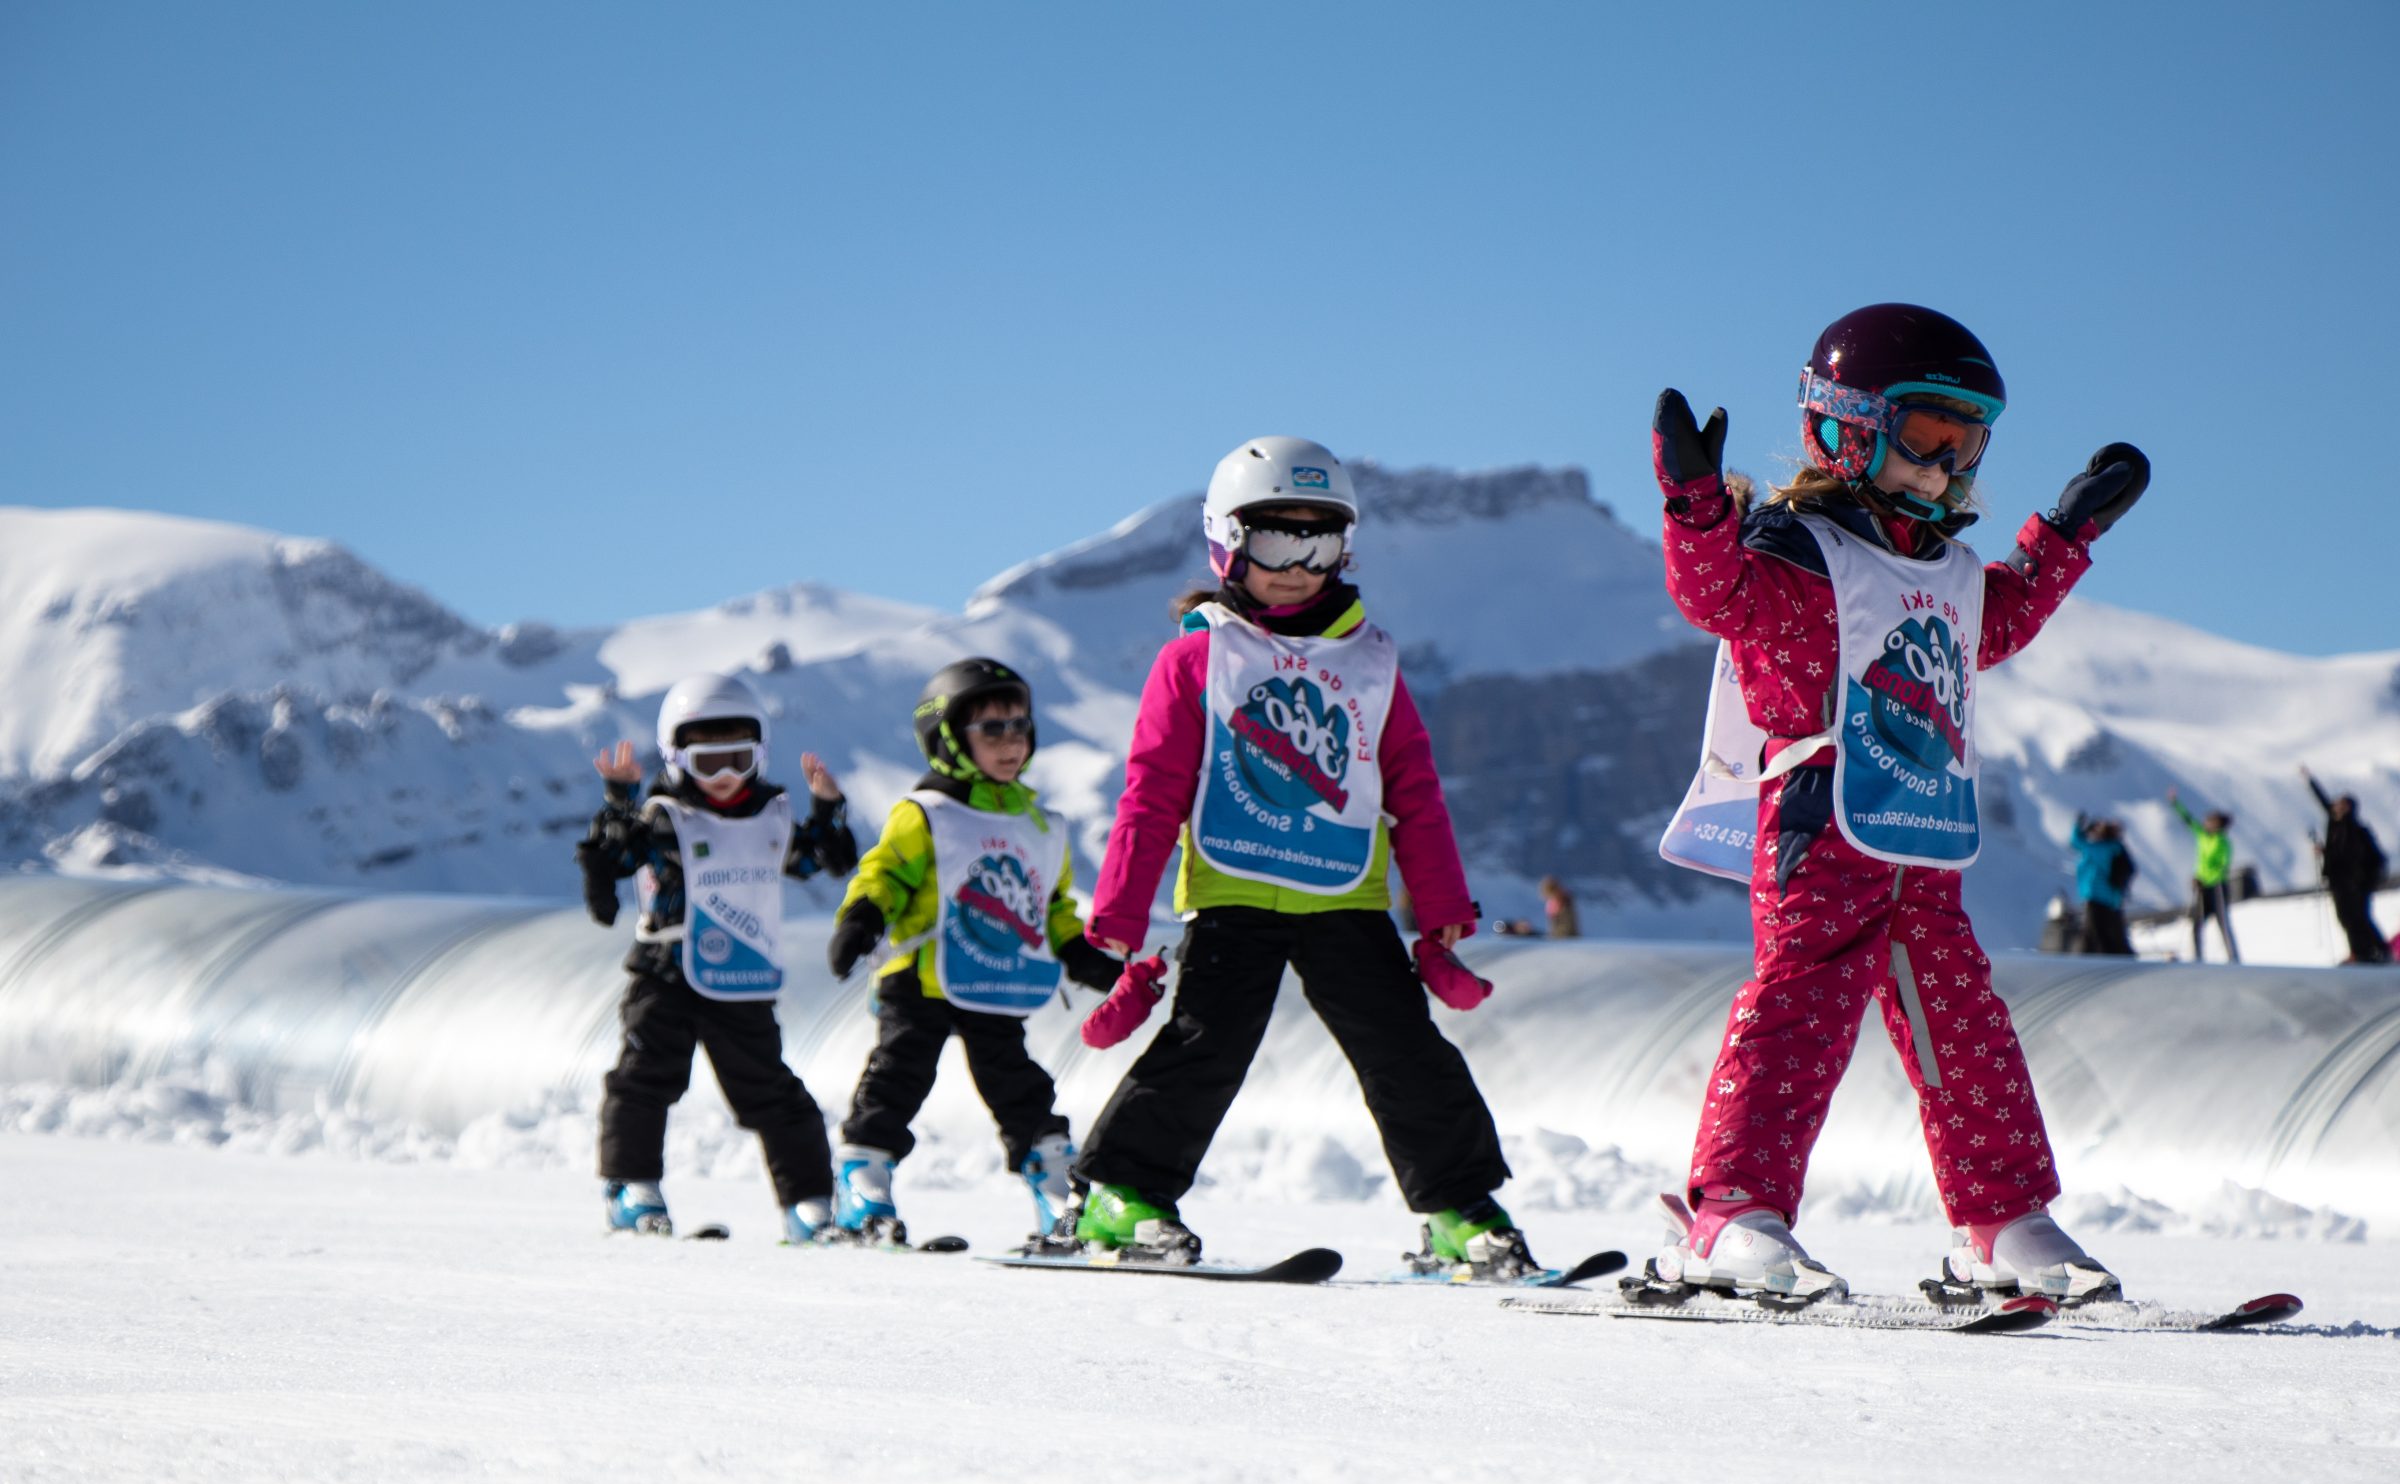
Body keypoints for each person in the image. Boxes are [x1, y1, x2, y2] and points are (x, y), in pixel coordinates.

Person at [1647, 302, 2148, 1306]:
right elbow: (1719, 598)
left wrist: (2065, 532)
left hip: (1919, 817)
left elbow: (1994, 624)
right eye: (1926, 436)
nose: (1946, 465)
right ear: (1844, 427)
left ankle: (2000, 1217)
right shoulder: (1798, 550)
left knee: (1962, 1015)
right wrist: (1698, 508)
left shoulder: (1949, 572)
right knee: (1803, 1004)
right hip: (1821, 808)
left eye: (1968, 443)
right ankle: (1728, 1212)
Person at [1068, 436, 1535, 1278]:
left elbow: (1414, 794)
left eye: (1319, 542)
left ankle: (1460, 1210)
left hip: (1344, 901)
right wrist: (1119, 917)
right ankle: (1118, 1196)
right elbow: (1151, 792)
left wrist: (1440, 913)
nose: (1298, 564)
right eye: (1277, 540)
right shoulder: (1197, 660)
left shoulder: (1371, 664)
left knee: (1407, 1053)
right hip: (1233, 890)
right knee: (1207, 1046)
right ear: (1228, 542)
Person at [824, 658, 1123, 1240]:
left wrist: (1078, 953)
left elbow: (1051, 905)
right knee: (898, 1077)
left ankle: (1058, 1194)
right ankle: (865, 1183)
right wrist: (861, 918)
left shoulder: (1040, 823)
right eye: (992, 729)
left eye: (1020, 726)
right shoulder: (927, 814)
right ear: (948, 741)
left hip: (996, 977)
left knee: (1020, 1086)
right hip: (921, 977)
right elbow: (884, 874)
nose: (1011, 741)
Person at [575, 673, 858, 1240]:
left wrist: (828, 813)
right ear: (677, 758)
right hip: (665, 974)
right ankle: (632, 1189)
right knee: (643, 1081)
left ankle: (808, 1206)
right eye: (708, 763)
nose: (726, 777)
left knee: (774, 1093)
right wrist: (618, 802)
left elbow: (815, 861)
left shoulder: (770, 817)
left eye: (739, 759)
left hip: (742, 979)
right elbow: (616, 856)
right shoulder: (663, 818)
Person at [2302, 764, 2391, 964]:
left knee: (2356, 918)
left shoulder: (2355, 830)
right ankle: (2366, 951)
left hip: (2354, 882)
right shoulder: (2335, 826)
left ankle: (2369, 951)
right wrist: (2310, 781)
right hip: (2339, 879)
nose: (2336, 808)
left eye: (2341, 805)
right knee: (2348, 918)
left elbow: (2359, 857)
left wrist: (2361, 879)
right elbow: (2323, 802)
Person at [2168, 785, 2240, 963]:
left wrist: (2205, 878)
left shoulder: (2222, 842)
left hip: (2217, 887)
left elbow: (2222, 866)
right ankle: (2198, 957)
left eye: (2210, 821)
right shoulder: (2202, 836)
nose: (2206, 822)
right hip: (2202, 887)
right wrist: (2175, 803)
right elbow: (2188, 820)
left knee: (2222, 923)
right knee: (2197, 923)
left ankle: (2233, 957)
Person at [2069, 813, 2136, 956]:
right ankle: (2123, 958)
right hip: (2113, 898)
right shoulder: (2116, 848)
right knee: (2111, 932)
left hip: (2095, 896)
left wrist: (2077, 826)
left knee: (2094, 933)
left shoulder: (2097, 849)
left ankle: (2084, 961)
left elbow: (2076, 841)